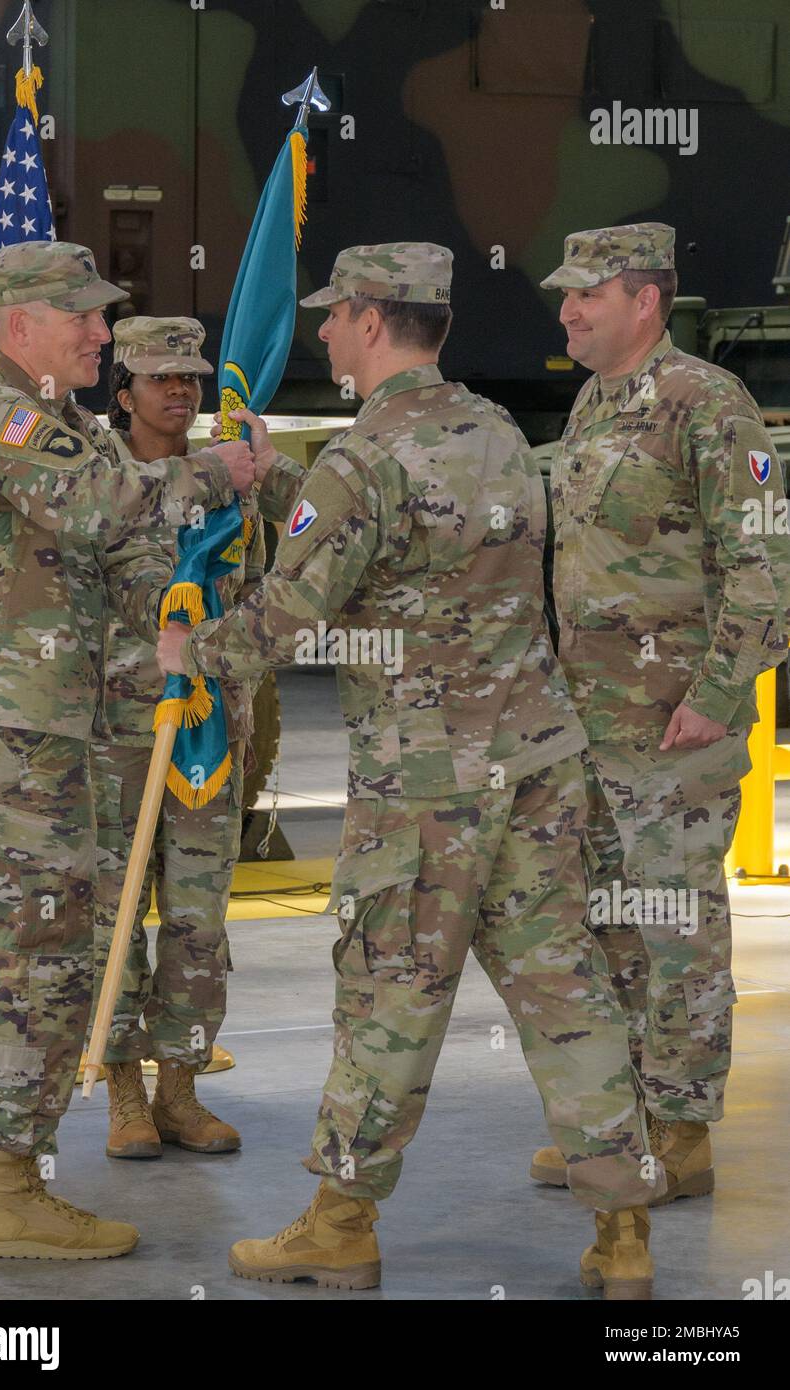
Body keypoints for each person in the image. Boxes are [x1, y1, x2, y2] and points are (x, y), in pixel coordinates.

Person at [159, 242, 668, 1299]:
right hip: (537, 763)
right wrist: (290, 478)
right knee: (570, 994)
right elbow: (429, 537)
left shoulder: (361, 462)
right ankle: (624, 1232)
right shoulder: (495, 434)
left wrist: (191, 653)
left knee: (389, 997)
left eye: (333, 318)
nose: (324, 334)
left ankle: (341, 1223)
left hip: (424, 790)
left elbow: (288, 614)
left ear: (370, 317)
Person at [0, 241, 254, 1260]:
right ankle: (15, 1186)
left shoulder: (63, 425)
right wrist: (212, 472)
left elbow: (120, 559)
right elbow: (104, 509)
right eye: (86, 318)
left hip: (33, 725)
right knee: (37, 957)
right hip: (8, 732)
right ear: (22, 325)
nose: (103, 335)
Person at [530, 223, 789, 1206]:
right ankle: (621, 1118)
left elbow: (765, 569)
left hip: (676, 729)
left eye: (584, 295)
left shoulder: (708, 405)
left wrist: (717, 699)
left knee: (676, 924)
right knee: (606, 919)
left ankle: (681, 1133)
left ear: (645, 300)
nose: (566, 312)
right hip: (591, 726)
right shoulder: (597, 401)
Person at [91, 315, 265, 1159]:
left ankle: (181, 1091)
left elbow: (272, 577)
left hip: (206, 730)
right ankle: (123, 1092)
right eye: (160, 377)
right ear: (123, 393)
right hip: (116, 729)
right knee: (114, 913)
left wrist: (263, 461)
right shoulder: (97, 477)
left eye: (189, 376)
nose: (179, 389)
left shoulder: (234, 479)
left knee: (199, 915)